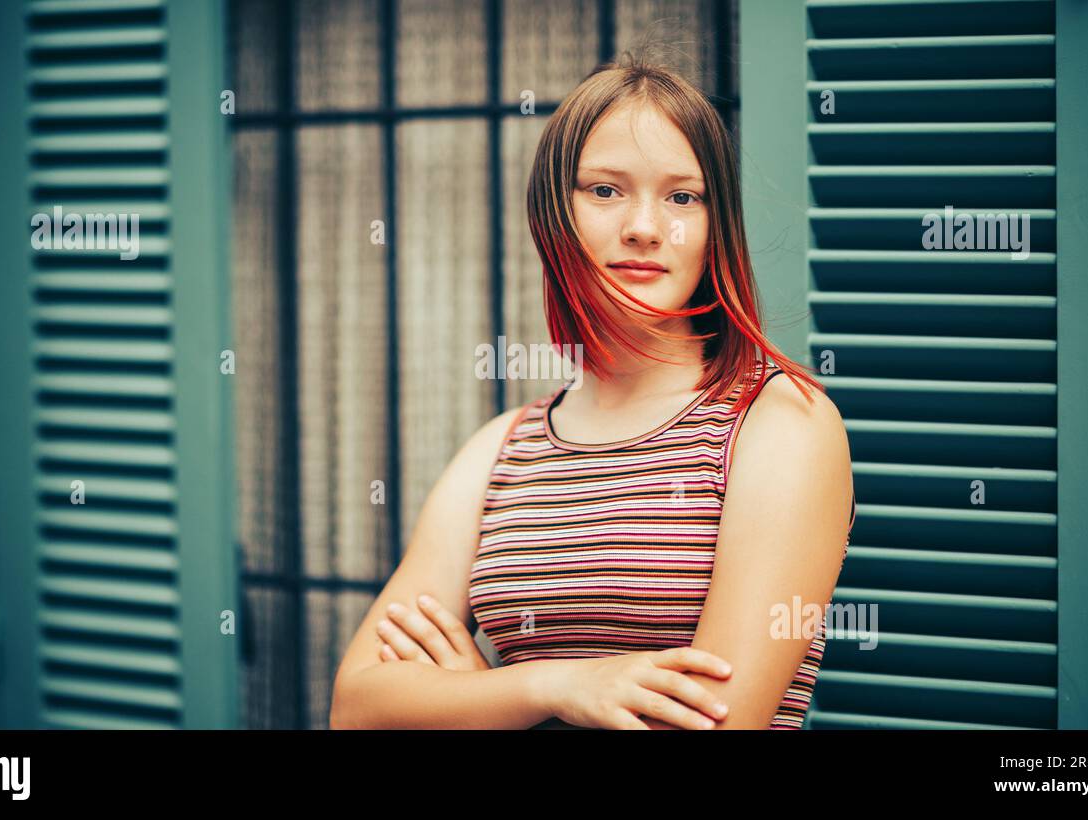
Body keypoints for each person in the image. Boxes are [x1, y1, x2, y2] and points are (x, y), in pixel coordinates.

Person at [330, 51, 855, 730]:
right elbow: (356, 707)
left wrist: (476, 703)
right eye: (605, 190)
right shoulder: (501, 449)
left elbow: (716, 724)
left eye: (682, 196)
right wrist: (552, 687)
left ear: (713, 227)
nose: (644, 226)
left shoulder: (780, 425)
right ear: (554, 218)